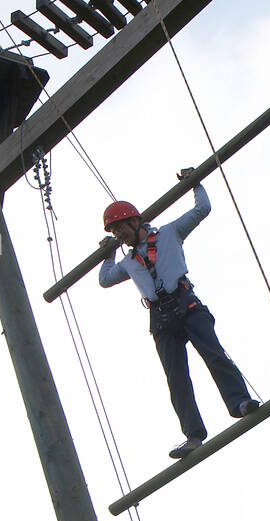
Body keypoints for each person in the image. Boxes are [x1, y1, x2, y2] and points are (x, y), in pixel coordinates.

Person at [99, 172, 259, 459]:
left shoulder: (170, 233)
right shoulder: (127, 262)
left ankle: (240, 402)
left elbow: (202, 210)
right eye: (114, 233)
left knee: (215, 355)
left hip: (186, 304)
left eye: (119, 228)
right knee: (177, 378)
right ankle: (193, 434)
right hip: (161, 319)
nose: (118, 236)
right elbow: (105, 279)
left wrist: (195, 184)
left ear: (134, 221)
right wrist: (107, 254)